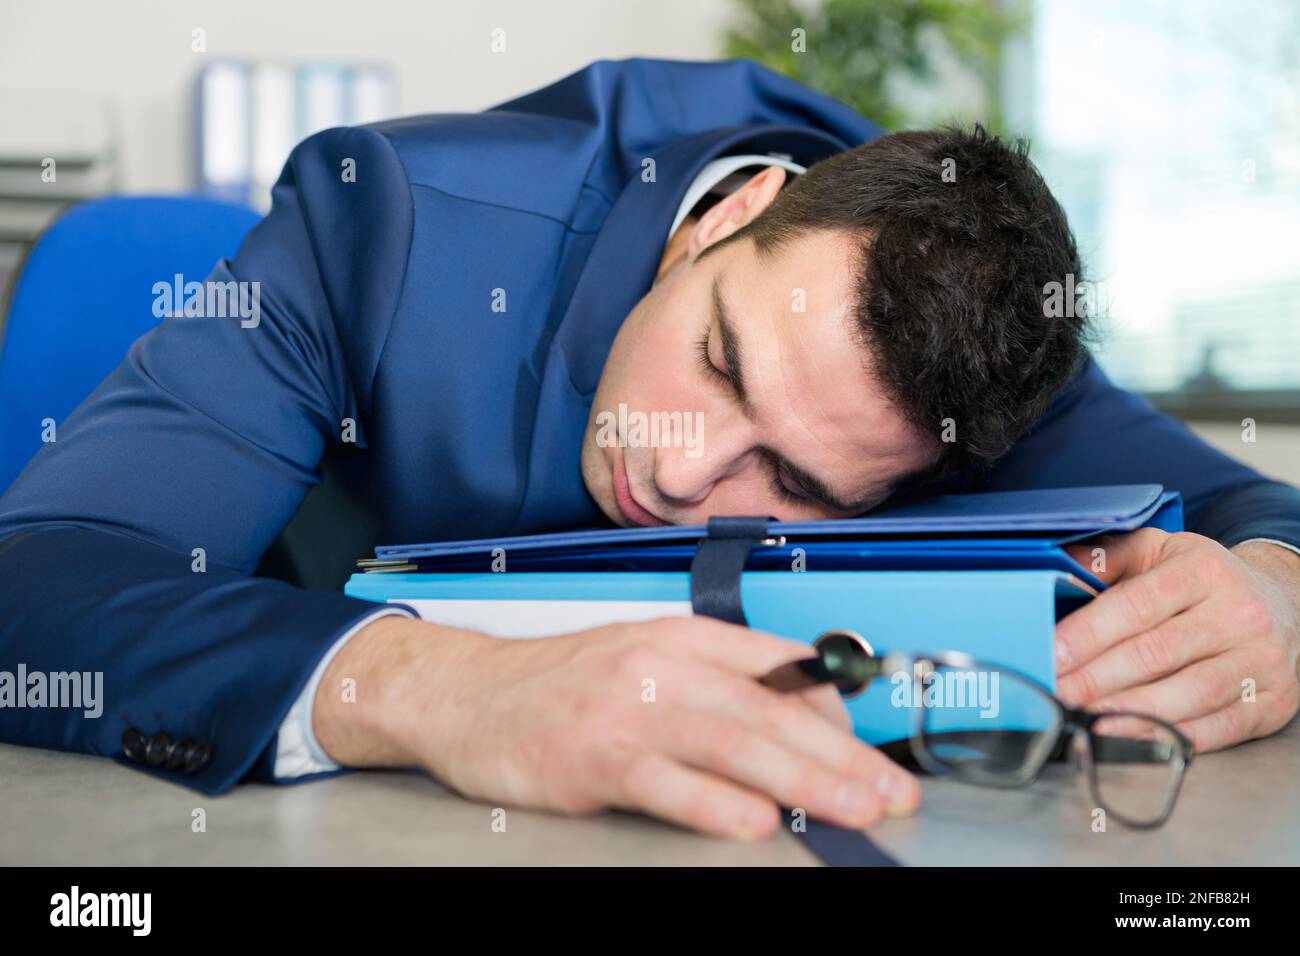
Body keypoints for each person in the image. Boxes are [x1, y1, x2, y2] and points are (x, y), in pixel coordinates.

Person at [1, 59, 1297, 841]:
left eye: (792, 480)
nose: (680, 476)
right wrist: (447, 690)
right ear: (729, 218)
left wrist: (1276, 600)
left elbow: (1258, 512)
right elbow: (39, 583)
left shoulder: (961, 363)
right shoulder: (381, 230)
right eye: (722, 360)